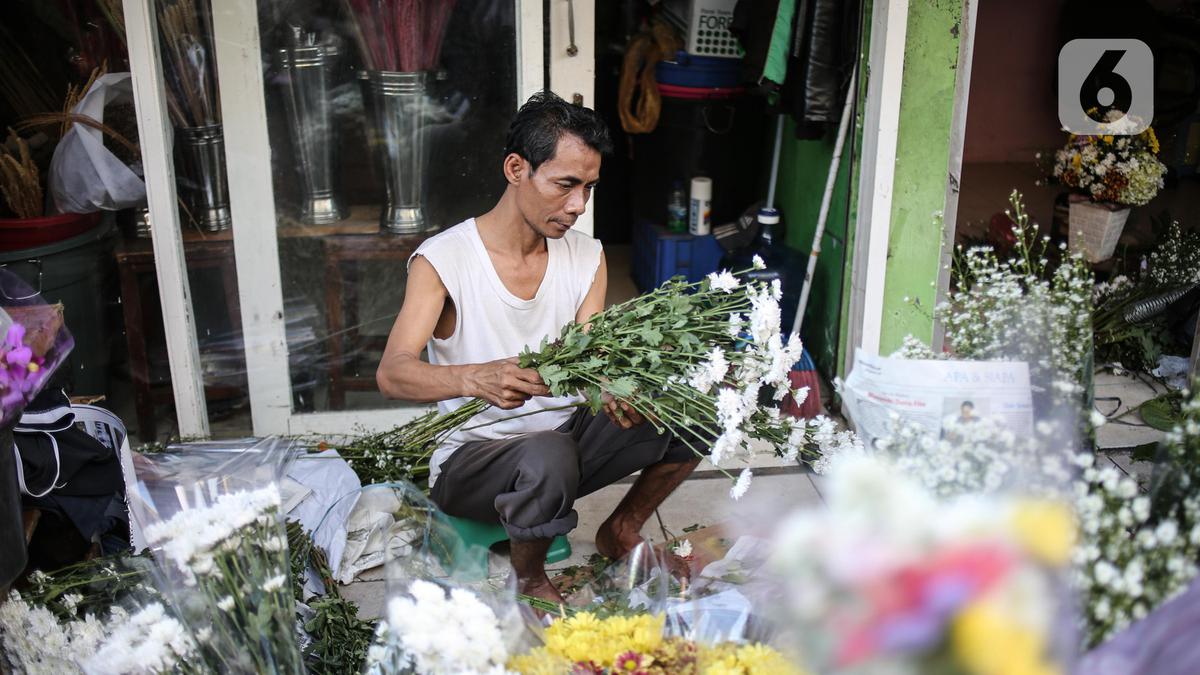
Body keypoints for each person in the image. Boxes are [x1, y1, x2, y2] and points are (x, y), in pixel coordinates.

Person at [376, 92, 702, 603]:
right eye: (565, 184)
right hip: (473, 462)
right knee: (549, 453)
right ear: (516, 168)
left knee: (688, 409)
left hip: (565, 445)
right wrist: (471, 377)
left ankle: (621, 530)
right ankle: (529, 580)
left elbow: (595, 358)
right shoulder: (444, 260)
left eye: (589, 188)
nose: (578, 205)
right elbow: (393, 373)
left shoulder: (587, 256)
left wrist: (617, 388)